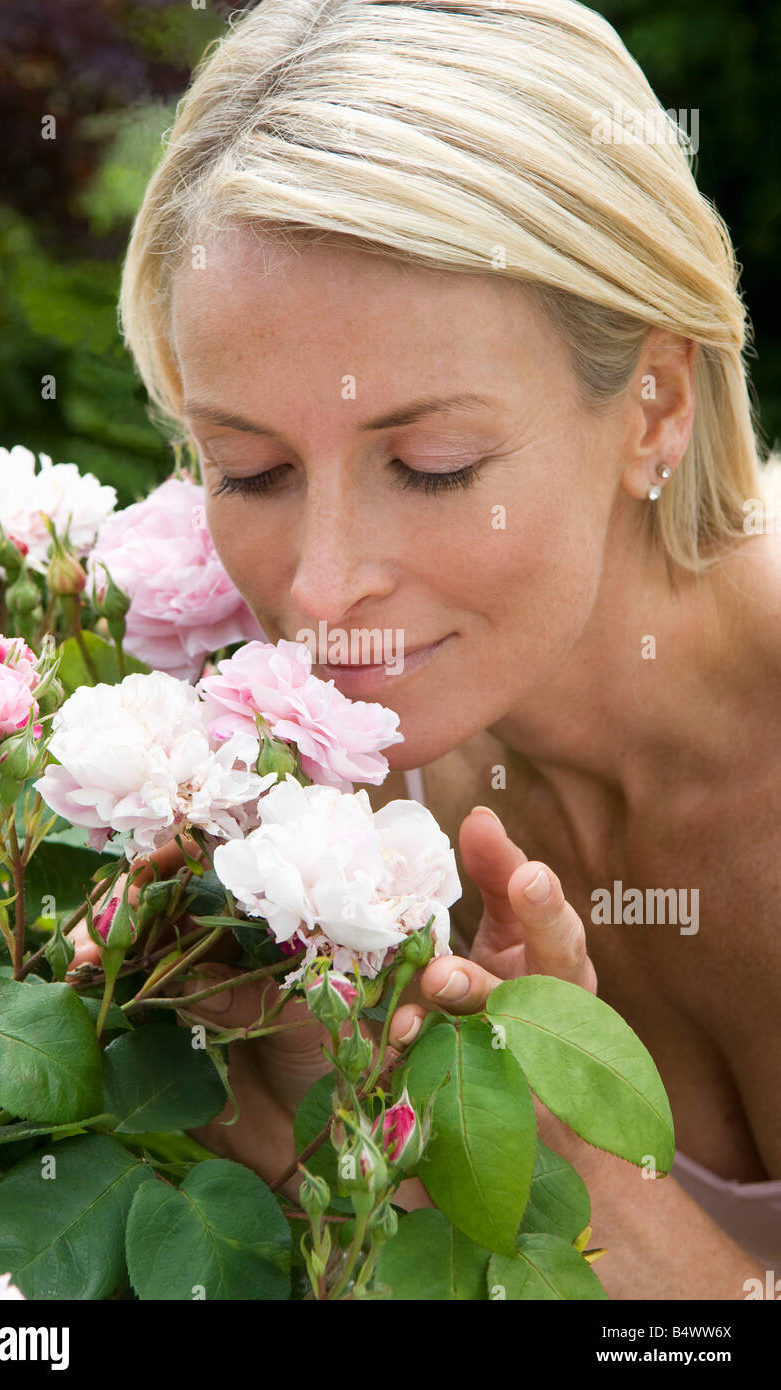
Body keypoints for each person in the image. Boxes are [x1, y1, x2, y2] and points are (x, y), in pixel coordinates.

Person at [71, 0, 781, 1298]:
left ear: (655, 406)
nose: (324, 588)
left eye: (432, 465)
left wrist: (560, 1166)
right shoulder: (299, 826)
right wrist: (321, 1143)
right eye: (252, 468)